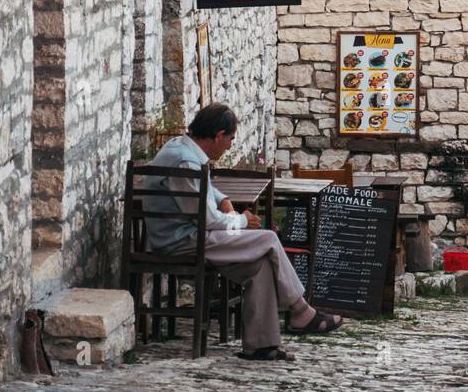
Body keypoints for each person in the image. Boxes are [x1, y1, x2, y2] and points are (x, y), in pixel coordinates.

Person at [143, 103, 342, 360]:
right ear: (218, 135)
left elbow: (200, 190)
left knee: (260, 264)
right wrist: (241, 220)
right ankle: (300, 310)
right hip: (185, 240)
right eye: (230, 139)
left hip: (194, 236)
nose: (229, 146)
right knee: (268, 238)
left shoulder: (179, 149)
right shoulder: (185, 162)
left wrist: (222, 197)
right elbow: (208, 220)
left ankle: (261, 346)